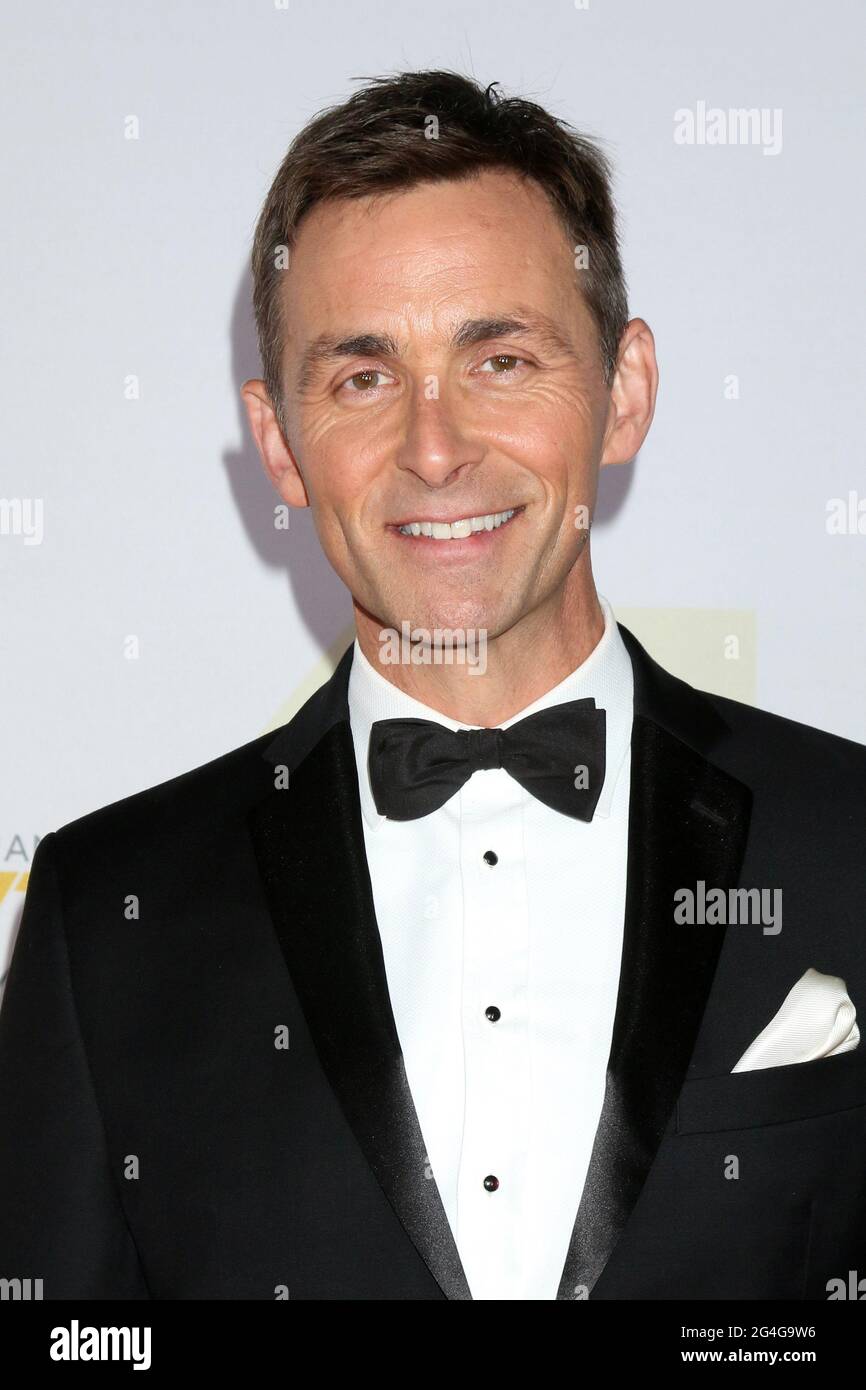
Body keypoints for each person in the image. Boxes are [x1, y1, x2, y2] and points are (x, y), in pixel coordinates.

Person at [1, 70, 865, 1301]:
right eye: (361, 377)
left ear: (621, 395)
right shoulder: (107, 915)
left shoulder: (847, 837)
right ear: (278, 443)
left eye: (499, 359)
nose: (434, 446)